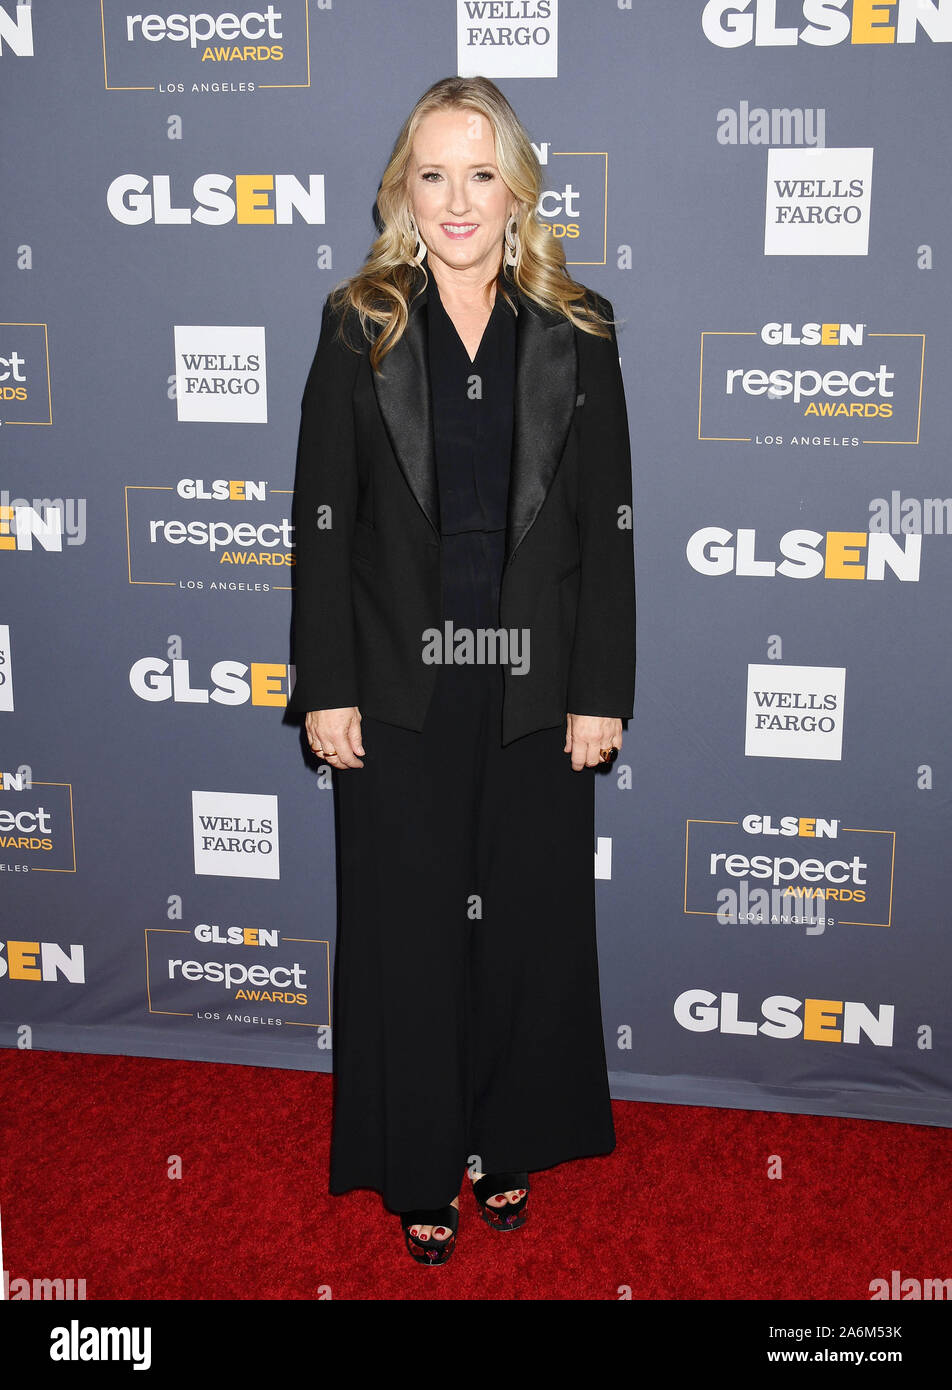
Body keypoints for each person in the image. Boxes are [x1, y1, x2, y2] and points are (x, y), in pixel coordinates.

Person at [287, 75, 635, 1266]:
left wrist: (602, 689)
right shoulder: (359, 322)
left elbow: (606, 525)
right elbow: (321, 518)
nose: (455, 198)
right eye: (431, 173)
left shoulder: (578, 328)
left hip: (535, 686)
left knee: (525, 925)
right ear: (402, 190)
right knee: (412, 931)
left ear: (517, 190)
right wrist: (325, 682)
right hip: (400, 685)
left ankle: (504, 1138)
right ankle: (421, 1159)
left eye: (480, 173)